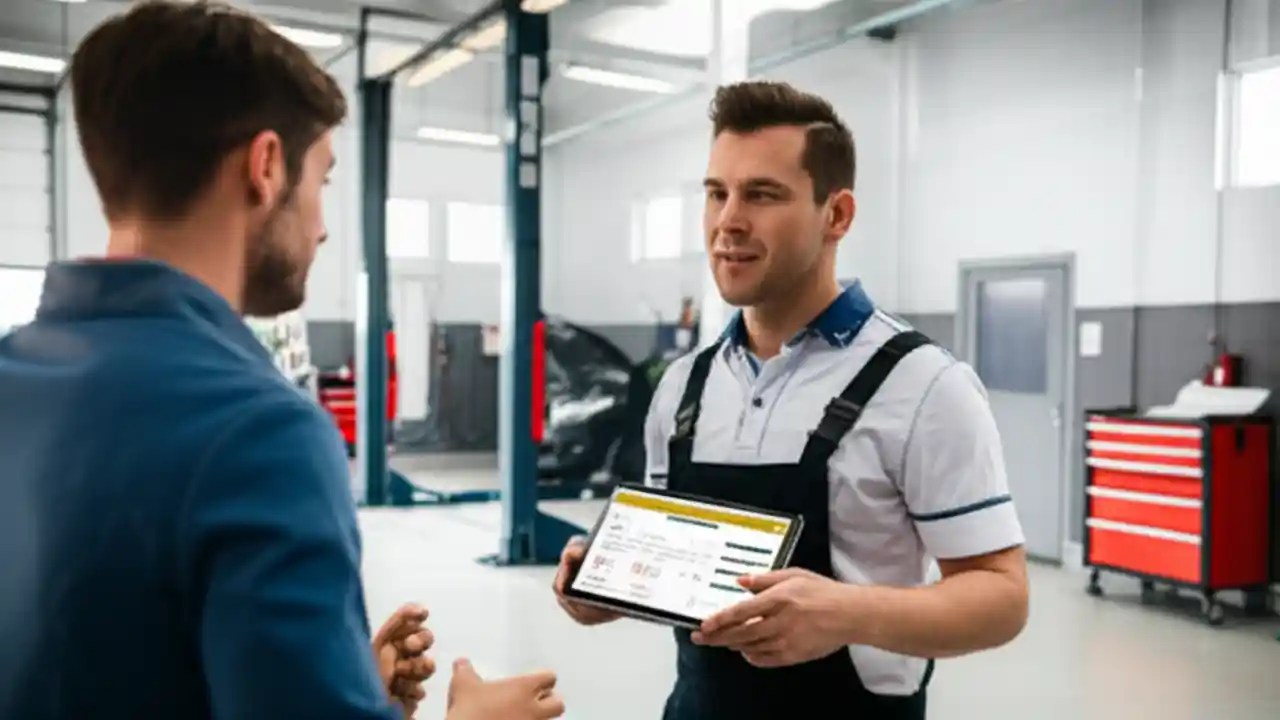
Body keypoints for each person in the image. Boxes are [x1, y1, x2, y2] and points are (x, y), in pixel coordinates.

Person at [0, 3, 563, 719]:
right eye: (322, 180)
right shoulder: (259, 435)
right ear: (265, 167)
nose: (324, 226)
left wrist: (342, 687)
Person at [554, 80, 1029, 719]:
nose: (729, 221)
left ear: (836, 215)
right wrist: (612, 583)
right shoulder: (683, 388)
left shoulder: (923, 386)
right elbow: (681, 567)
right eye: (717, 193)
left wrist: (846, 612)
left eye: (762, 194)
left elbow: (1002, 597)